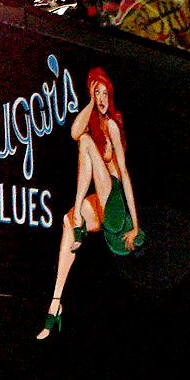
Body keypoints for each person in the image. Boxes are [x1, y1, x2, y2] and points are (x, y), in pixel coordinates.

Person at [39, 66, 143, 340]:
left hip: (116, 203)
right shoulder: (95, 121)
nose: (101, 97)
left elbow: (125, 174)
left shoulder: (111, 126)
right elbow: (74, 131)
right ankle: (56, 302)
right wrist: (90, 102)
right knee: (66, 222)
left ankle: (79, 221)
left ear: (110, 93)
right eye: (96, 93)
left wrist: (136, 223)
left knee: (85, 142)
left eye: (104, 91)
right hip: (100, 203)